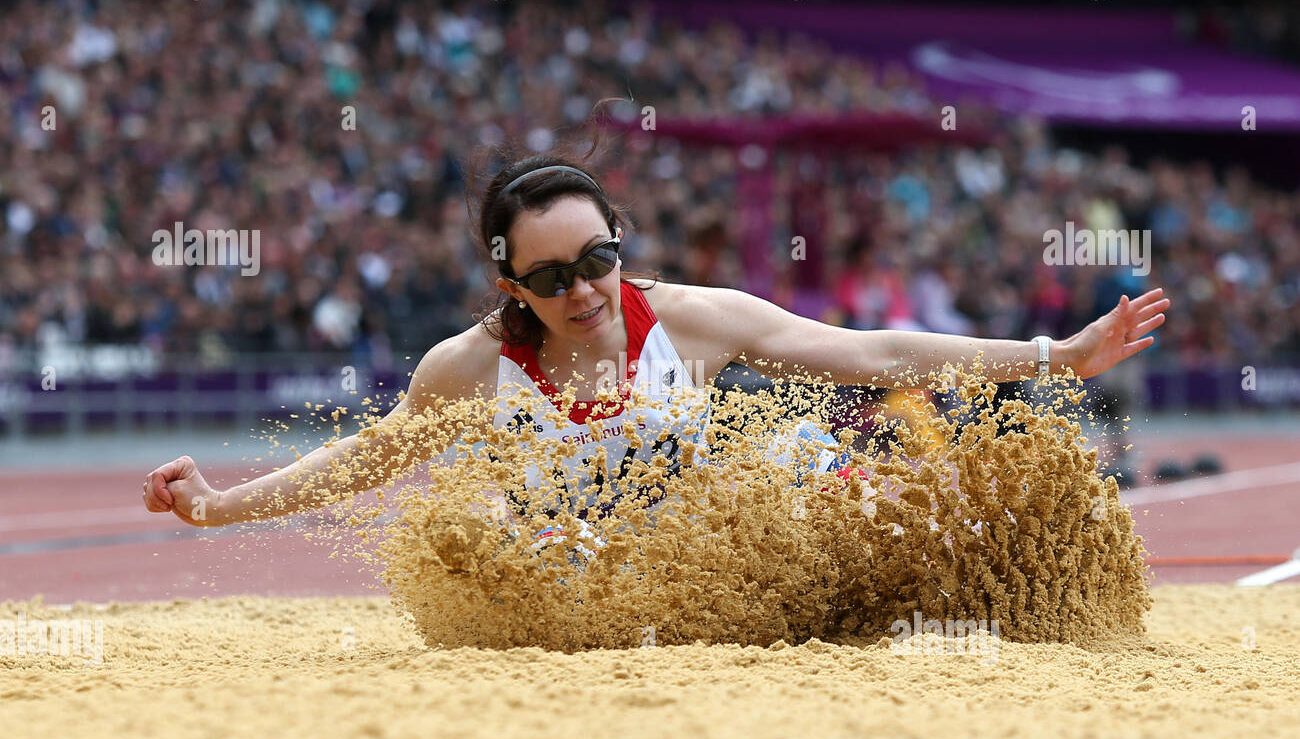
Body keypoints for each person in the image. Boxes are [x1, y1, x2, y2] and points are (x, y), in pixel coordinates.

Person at [142, 156, 1171, 531]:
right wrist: (222, 505)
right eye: (551, 278)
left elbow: (871, 356)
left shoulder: (689, 318)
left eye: (598, 258)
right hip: (579, 562)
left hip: (725, 528)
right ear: (511, 286)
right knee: (494, 533)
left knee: (862, 483)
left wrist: (1057, 360)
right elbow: (370, 454)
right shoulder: (466, 371)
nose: (584, 290)